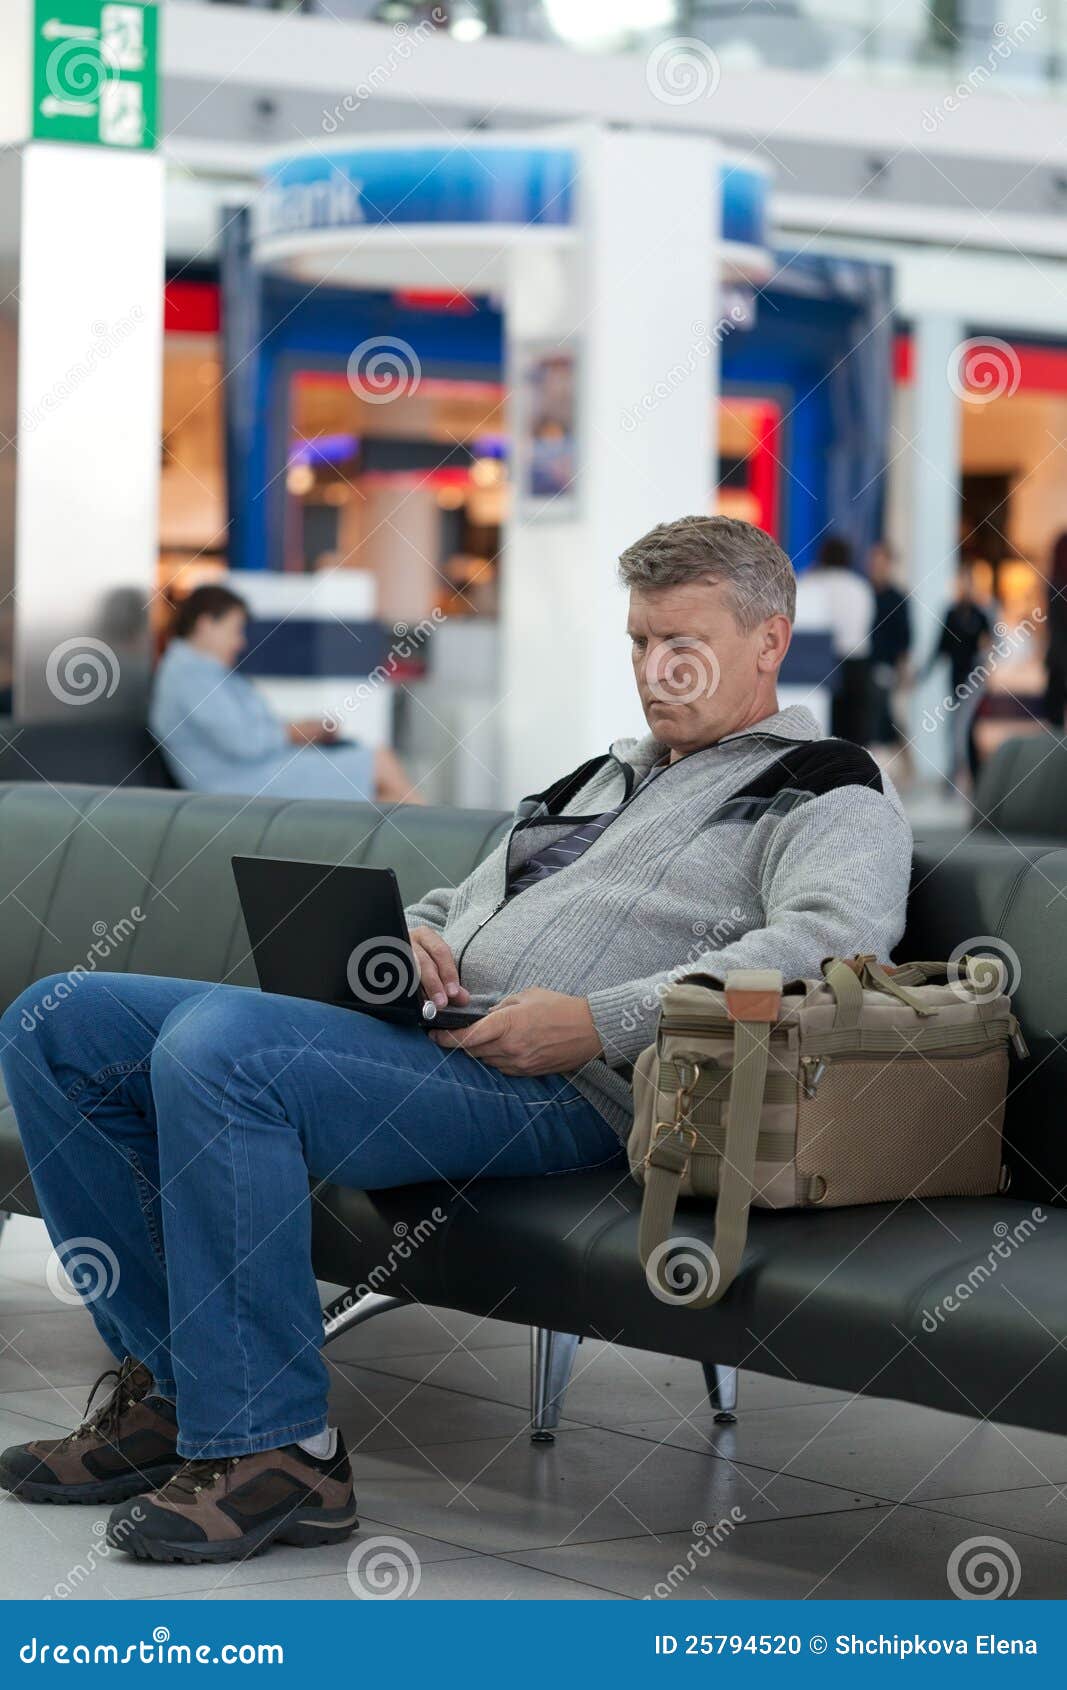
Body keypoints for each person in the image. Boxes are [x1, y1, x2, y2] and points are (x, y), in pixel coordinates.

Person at [0, 515, 913, 1564]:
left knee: (221, 1049)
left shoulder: (828, 782)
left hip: (576, 1091)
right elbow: (466, 896)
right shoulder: (594, 778)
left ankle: (279, 1452)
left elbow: (826, 946)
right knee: (52, 1021)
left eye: (682, 645)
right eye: (637, 642)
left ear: (768, 639)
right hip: (440, 1040)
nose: (652, 672)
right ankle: (175, 1394)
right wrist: (422, 936)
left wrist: (596, 1023)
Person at [149, 584, 420, 804]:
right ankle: (444, 850)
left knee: (384, 793)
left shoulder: (202, 673)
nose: (240, 641)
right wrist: (296, 731)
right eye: (234, 630)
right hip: (243, 783)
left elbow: (248, 731)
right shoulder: (187, 677)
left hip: (257, 772)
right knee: (378, 762)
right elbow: (243, 741)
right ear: (206, 624)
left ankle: (433, 853)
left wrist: (302, 733)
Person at [796, 534, 876, 744]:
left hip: (818, 663)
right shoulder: (860, 587)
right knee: (854, 728)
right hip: (856, 663)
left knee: (821, 726)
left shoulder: (810, 582)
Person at [926, 568, 993, 787]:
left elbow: (991, 644)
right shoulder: (951, 613)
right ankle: (955, 775)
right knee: (955, 728)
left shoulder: (980, 614)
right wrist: (923, 674)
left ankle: (974, 774)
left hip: (973, 680)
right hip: (955, 680)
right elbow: (940, 647)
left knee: (966, 727)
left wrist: (986, 669)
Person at [867, 541, 913, 776]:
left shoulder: (897, 598)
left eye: (880, 561)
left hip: (886, 666)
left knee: (883, 715)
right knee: (879, 717)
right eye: (872, 561)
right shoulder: (864, 592)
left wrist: (904, 670)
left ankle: (905, 764)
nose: (875, 566)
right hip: (866, 665)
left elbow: (905, 638)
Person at [1044, 532, 1067, 729]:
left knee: (1056, 725)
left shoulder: (1054, 585)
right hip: (1060, 663)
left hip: (1057, 662)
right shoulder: (1057, 587)